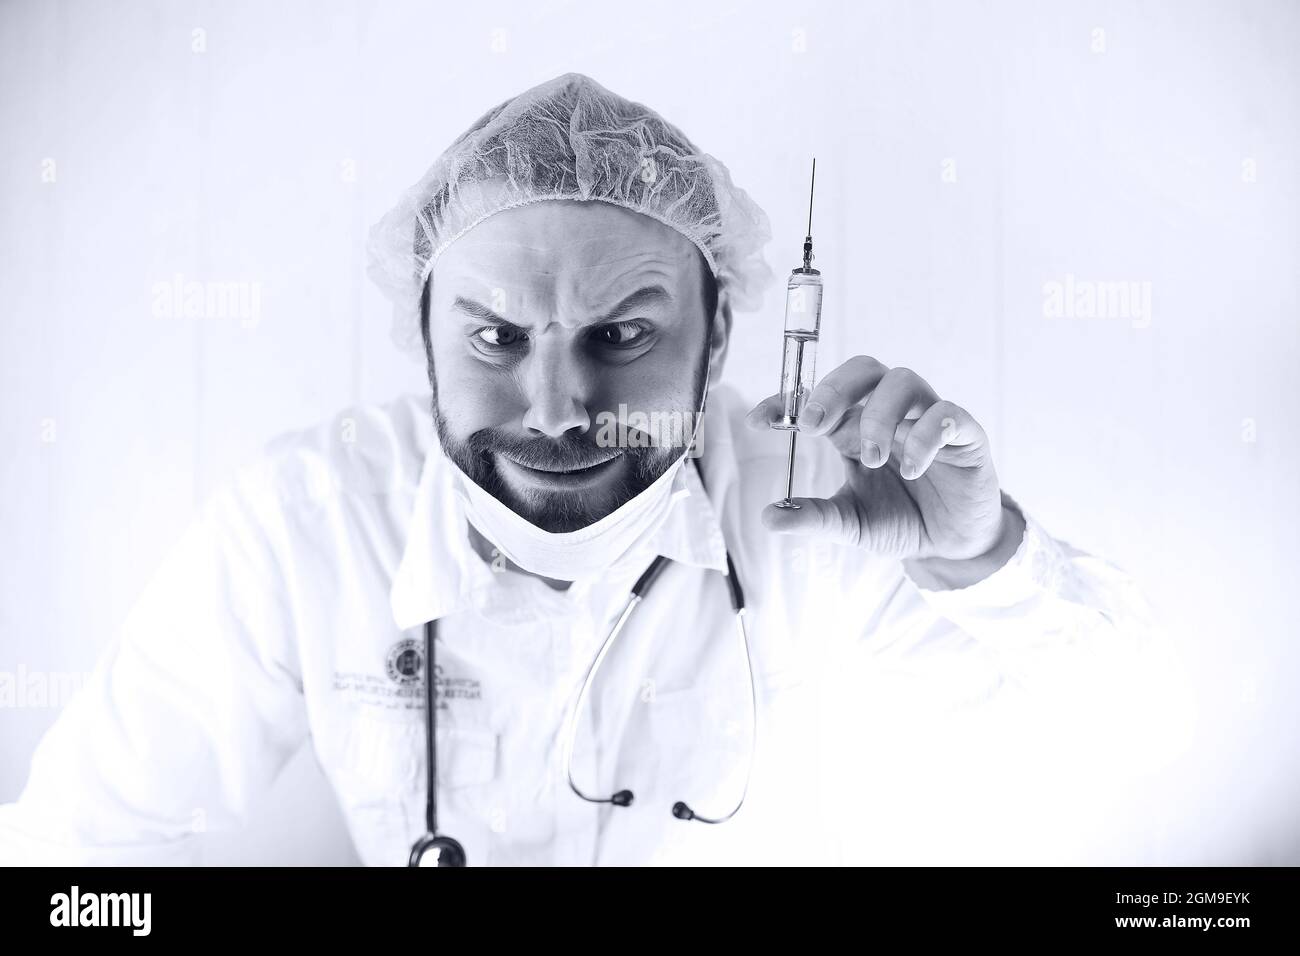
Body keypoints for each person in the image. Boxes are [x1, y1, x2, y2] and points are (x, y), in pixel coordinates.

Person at [0, 72, 1189, 866]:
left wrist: (977, 553)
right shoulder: (303, 525)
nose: (559, 411)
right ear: (419, 337)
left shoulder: (823, 506)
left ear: (718, 336)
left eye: (622, 335)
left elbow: (1139, 739)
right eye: (493, 337)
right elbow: (76, 857)